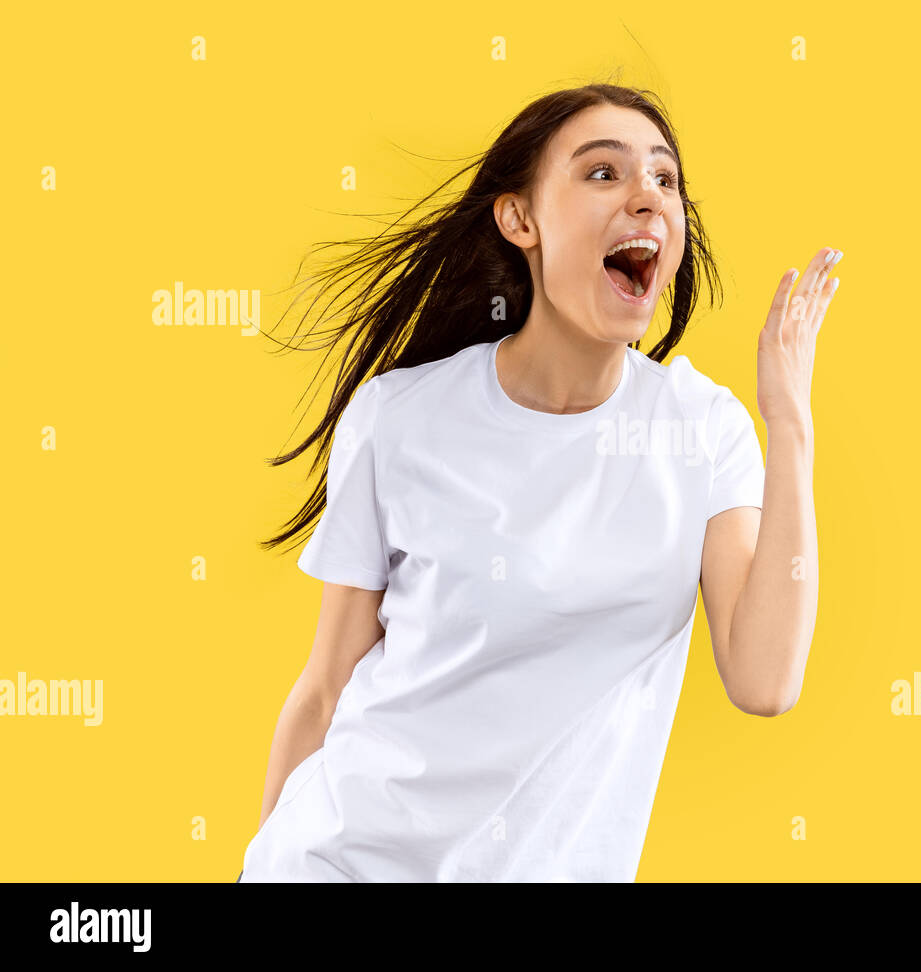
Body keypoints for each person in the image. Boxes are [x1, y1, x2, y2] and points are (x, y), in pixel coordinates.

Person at [238, 81, 841, 882]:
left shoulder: (700, 430)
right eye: (603, 172)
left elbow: (766, 680)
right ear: (519, 219)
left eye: (665, 179)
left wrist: (790, 425)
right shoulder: (399, 418)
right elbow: (324, 690)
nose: (646, 196)